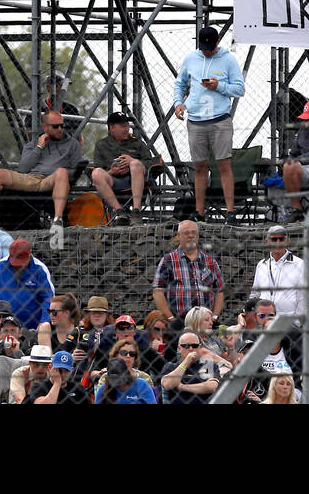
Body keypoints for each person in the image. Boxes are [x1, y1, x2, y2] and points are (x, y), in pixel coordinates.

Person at [172, 25, 245, 219]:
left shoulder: (229, 60)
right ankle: (199, 212)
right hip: (195, 120)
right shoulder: (191, 58)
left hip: (220, 119)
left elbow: (239, 89)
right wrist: (178, 103)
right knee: (200, 167)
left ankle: (230, 212)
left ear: (218, 42)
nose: (207, 50)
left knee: (223, 165)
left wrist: (218, 86)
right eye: (204, 47)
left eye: (210, 47)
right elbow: (180, 84)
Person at [0, 110, 82, 230]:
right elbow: (23, 168)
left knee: (62, 172)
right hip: (30, 178)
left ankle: (57, 221)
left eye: (62, 125)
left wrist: (62, 175)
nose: (60, 129)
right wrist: (39, 147)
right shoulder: (33, 144)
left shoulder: (72, 144)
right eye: (55, 126)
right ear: (45, 127)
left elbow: (75, 169)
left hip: (51, 180)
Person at [90, 112, 161, 227]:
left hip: (138, 182)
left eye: (128, 125)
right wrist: (111, 172)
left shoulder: (137, 142)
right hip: (114, 182)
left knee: (135, 164)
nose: (127, 128)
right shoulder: (102, 144)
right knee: (96, 173)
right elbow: (99, 167)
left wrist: (132, 160)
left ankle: (136, 212)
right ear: (112, 128)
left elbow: (150, 162)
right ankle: (120, 211)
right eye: (123, 126)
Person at [152, 219, 226, 325]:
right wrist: (171, 319)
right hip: (179, 321)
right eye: (186, 233)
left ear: (198, 236)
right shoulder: (168, 261)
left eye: (193, 233)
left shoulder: (210, 261)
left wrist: (214, 317)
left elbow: (220, 291)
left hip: (205, 321)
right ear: (178, 236)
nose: (190, 236)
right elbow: (157, 292)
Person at [0, 238, 56, 331]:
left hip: (33, 327)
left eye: (21, 261)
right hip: (5, 327)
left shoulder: (40, 269)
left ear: (30, 254)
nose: (18, 265)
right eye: (16, 261)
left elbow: (48, 299)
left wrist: (44, 322)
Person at [250, 226, 307, 318]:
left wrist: (296, 323)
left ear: (287, 241)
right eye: (274, 239)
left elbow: (303, 297)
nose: (278, 242)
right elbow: (255, 294)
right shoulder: (261, 265)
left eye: (281, 239)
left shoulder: (300, 265)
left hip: (288, 322)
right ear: (267, 241)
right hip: (264, 321)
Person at [159, 329, 229, 402]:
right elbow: (167, 384)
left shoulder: (208, 365)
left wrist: (182, 387)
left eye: (194, 346)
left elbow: (212, 386)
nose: (191, 349)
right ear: (179, 348)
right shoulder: (171, 366)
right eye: (186, 346)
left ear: (199, 347)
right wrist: (186, 362)